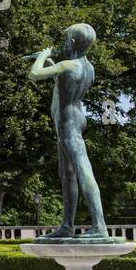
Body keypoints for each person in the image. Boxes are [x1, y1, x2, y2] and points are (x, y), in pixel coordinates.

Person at [28, 23, 107, 239]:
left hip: (68, 123)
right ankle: (66, 226)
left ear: (72, 42)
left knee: (82, 170)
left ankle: (99, 226)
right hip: (76, 117)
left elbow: (34, 74)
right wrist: (53, 63)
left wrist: (42, 56)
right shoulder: (87, 68)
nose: (64, 42)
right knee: (67, 174)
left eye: (66, 39)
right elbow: (65, 84)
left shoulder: (68, 65)